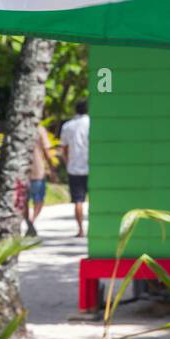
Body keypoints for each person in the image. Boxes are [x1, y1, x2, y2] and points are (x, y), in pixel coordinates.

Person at [60, 99, 90, 237]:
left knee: (78, 200)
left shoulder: (68, 126)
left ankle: (81, 230)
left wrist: (67, 162)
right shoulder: (92, 123)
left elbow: (64, 148)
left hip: (74, 168)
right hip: (92, 167)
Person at [25, 122, 57, 237]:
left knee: (24, 201)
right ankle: (32, 221)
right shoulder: (40, 130)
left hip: (22, 171)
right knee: (39, 200)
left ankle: (29, 222)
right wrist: (52, 169)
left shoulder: (20, 127)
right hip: (38, 171)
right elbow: (47, 152)